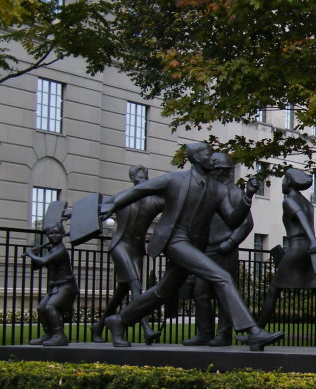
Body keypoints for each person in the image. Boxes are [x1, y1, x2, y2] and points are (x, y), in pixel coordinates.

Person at [99, 141, 283, 350]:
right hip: (175, 240)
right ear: (196, 158)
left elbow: (233, 220)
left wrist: (248, 196)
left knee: (163, 291)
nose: (212, 157)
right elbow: (139, 191)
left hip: (195, 244)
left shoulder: (217, 189)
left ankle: (119, 321)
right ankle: (253, 331)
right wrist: (111, 205)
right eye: (208, 154)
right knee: (222, 277)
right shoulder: (175, 180)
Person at [257, 168, 316, 347]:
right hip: (306, 249)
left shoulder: (289, 201)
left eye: (285, 179)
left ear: (290, 182)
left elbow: (302, 220)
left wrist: (312, 240)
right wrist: (312, 242)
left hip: (297, 248)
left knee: (274, 290)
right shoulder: (306, 202)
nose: (282, 183)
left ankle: (258, 331)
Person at [182, 152, 253, 347]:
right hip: (206, 249)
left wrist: (230, 243)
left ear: (221, 171)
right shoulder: (209, 191)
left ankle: (223, 335)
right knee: (200, 293)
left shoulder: (235, 192)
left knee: (224, 295)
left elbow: (246, 223)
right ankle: (204, 333)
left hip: (224, 250)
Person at [93, 164, 163, 345]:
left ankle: (99, 326)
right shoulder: (122, 198)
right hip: (120, 245)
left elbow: (174, 204)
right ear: (133, 179)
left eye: (145, 179)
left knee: (121, 291)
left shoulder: (154, 201)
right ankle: (146, 329)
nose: (143, 182)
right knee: (135, 286)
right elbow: (98, 207)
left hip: (136, 248)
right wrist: (68, 215)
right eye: (139, 178)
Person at [26, 222, 77, 347]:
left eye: (57, 233)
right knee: (41, 308)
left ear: (62, 234)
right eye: (51, 233)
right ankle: (49, 334)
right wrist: (35, 254)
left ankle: (60, 336)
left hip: (66, 286)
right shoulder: (52, 250)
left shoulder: (60, 250)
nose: (54, 235)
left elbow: (44, 261)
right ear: (47, 235)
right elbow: (36, 267)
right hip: (55, 286)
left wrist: (30, 253)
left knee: (50, 307)